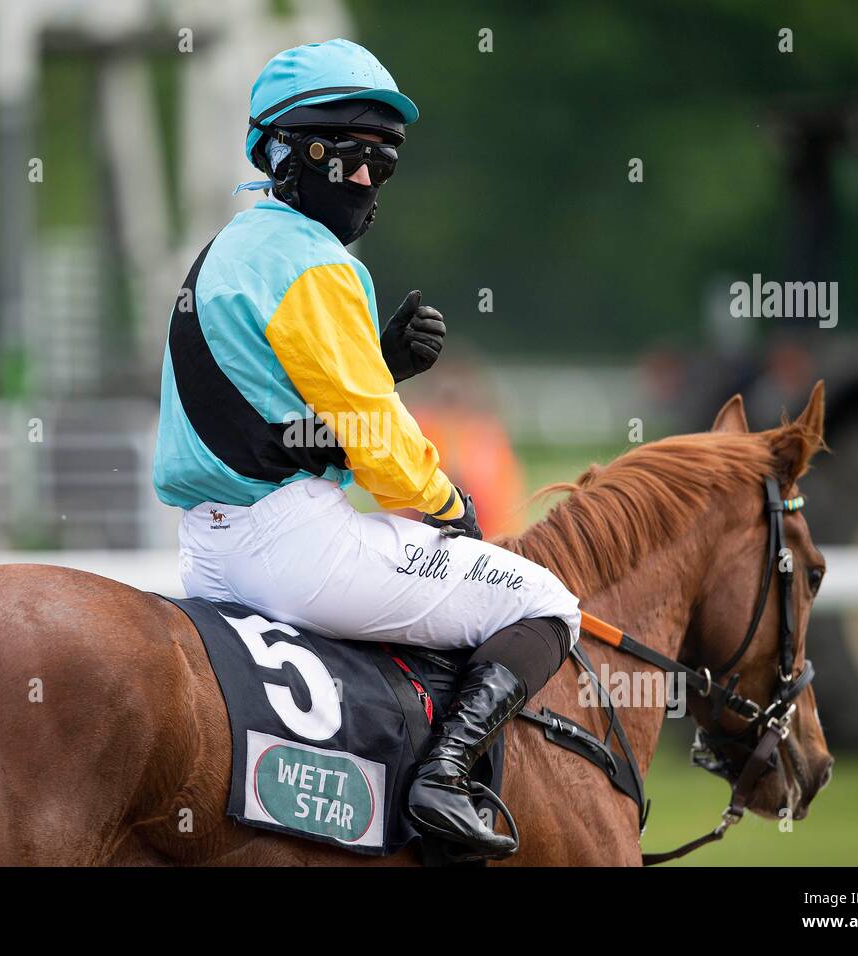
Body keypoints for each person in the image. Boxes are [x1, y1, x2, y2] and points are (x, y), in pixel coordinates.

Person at [153, 38, 581, 860]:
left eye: (382, 167)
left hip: (211, 553)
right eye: (348, 159)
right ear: (285, 155)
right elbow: (380, 451)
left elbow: (273, 414)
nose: (364, 182)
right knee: (542, 604)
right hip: (294, 544)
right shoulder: (318, 265)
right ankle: (444, 780)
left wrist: (378, 367)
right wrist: (452, 509)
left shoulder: (229, 250)